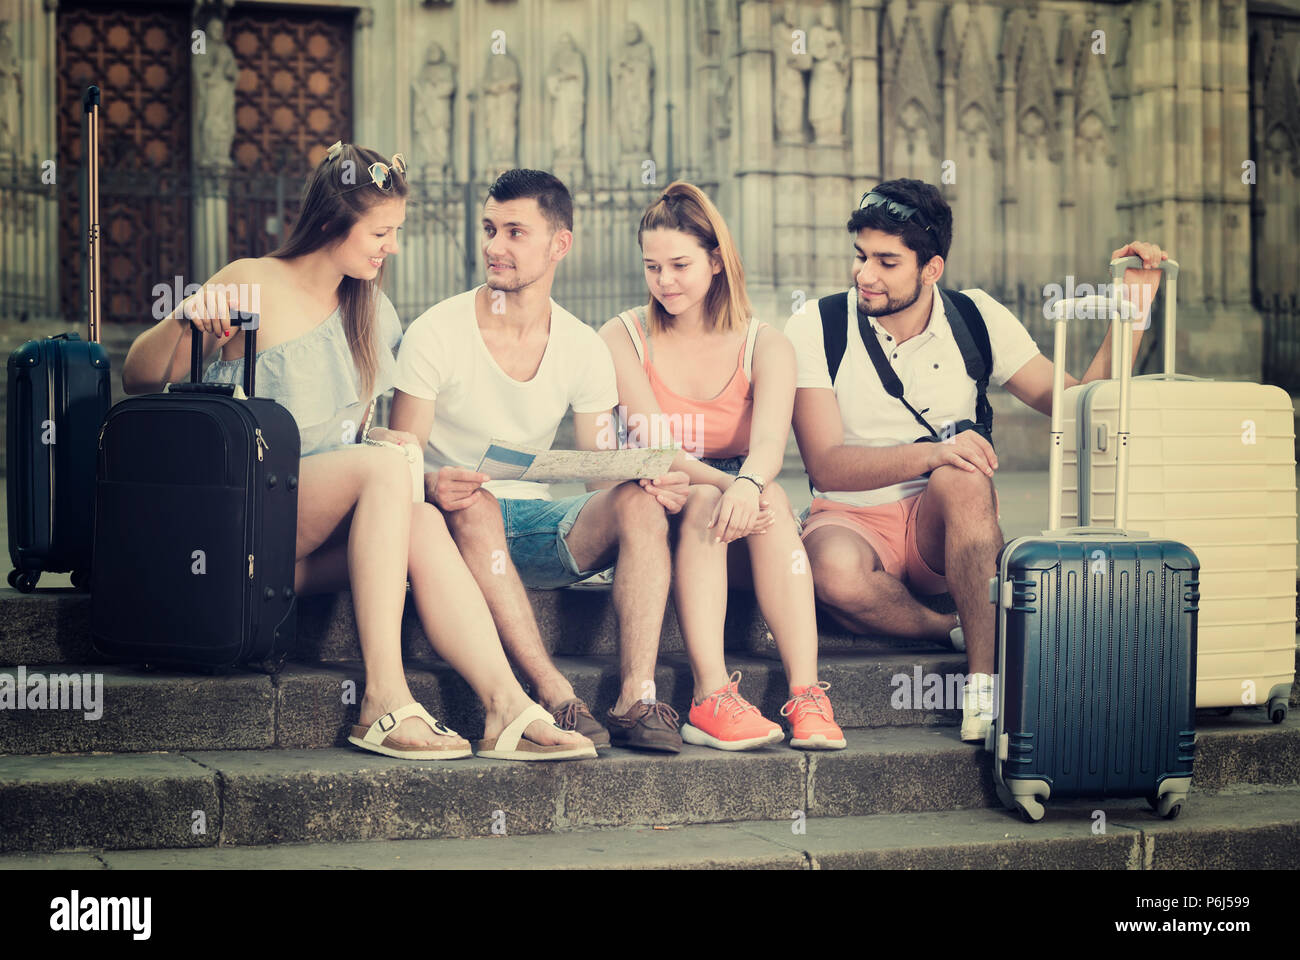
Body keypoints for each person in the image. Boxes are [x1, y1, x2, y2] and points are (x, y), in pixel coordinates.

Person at [120, 143, 594, 762]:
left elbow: (342, 443)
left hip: (294, 558)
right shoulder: (251, 280)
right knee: (385, 468)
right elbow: (136, 379)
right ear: (331, 223)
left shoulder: (371, 310)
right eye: (381, 231)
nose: (391, 246)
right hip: (234, 532)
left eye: (394, 231)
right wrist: (187, 320)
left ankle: (505, 704)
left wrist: (404, 460)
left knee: (419, 512)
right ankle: (383, 701)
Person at [785, 177, 1167, 744]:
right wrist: (935, 450)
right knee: (831, 572)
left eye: (887, 261)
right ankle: (954, 629)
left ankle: (985, 690)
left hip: (940, 522)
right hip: (850, 516)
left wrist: (1133, 309)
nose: (865, 274)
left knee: (963, 478)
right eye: (861, 256)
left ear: (931, 268)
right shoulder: (817, 325)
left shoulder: (975, 316)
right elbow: (826, 466)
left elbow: (1080, 405)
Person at [390, 169, 692, 753]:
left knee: (638, 503)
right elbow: (397, 459)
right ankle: (557, 699)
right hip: (456, 532)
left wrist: (645, 473)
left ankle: (636, 695)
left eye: (514, 232)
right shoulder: (436, 332)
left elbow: (594, 467)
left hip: (538, 529)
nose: (494, 246)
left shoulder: (581, 345)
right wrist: (430, 482)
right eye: (488, 229)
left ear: (559, 244)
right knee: (476, 504)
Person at [596, 182, 846, 751]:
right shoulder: (622, 336)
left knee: (770, 497)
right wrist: (736, 486)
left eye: (680, 265)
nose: (665, 281)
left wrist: (749, 485)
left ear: (715, 260)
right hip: (665, 505)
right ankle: (710, 697)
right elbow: (657, 449)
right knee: (728, 497)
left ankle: (807, 693)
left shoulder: (767, 344)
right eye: (652, 267)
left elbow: (768, 451)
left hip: (744, 518)